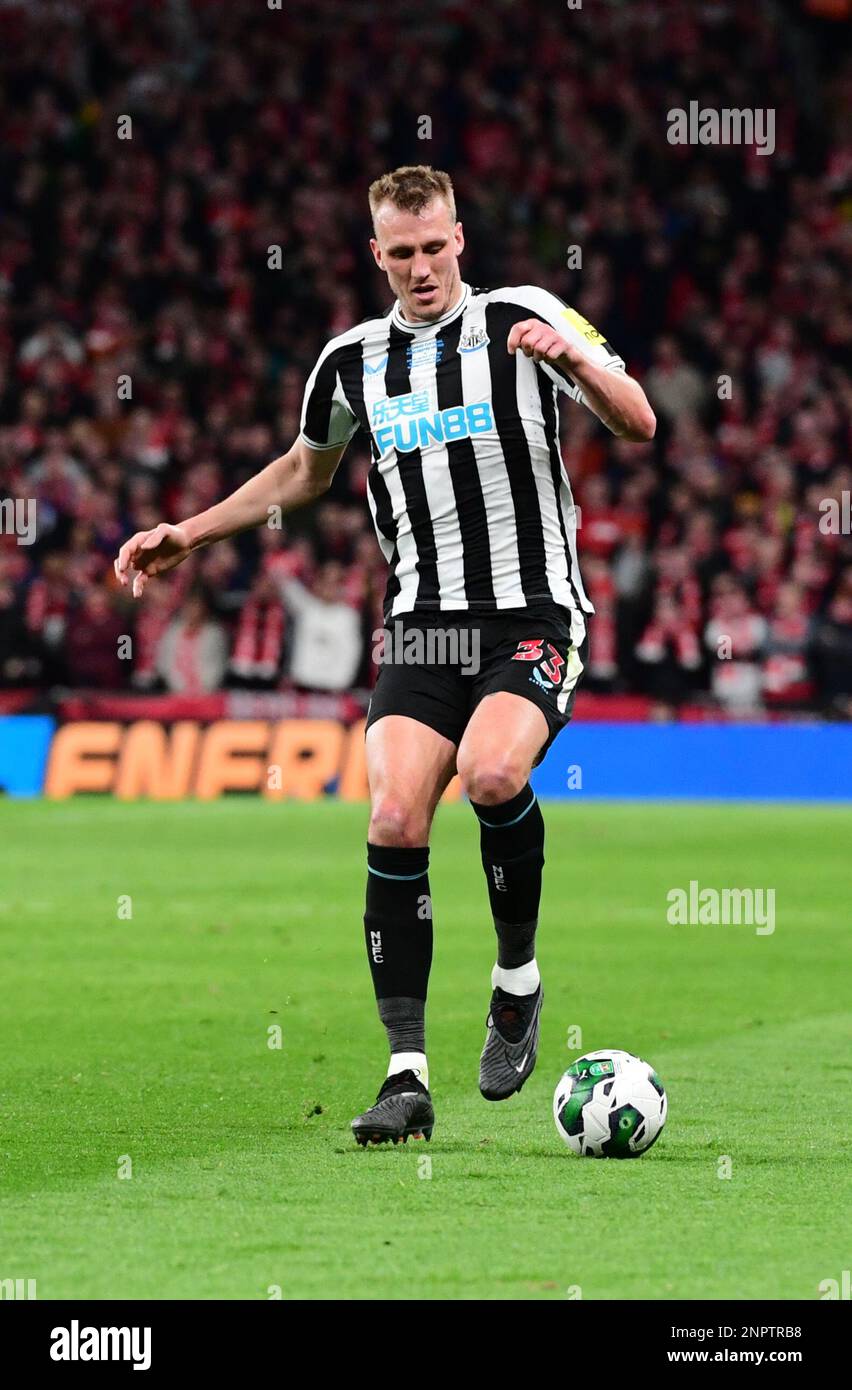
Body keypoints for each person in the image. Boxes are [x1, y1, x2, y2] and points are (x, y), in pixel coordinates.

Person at [114, 165, 655, 1146]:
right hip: (422, 626)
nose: (419, 268)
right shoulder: (352, 362)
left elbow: (640, 418)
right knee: (396, 816)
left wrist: (572, 363)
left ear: (460, 240)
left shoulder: (524, 315)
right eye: (399, 253)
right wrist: (188, 532)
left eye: (433, 247)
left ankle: (516, 982)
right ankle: (406, 1075)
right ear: (377, 255)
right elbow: (302, 471)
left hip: (532, 610)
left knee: (493, 772)